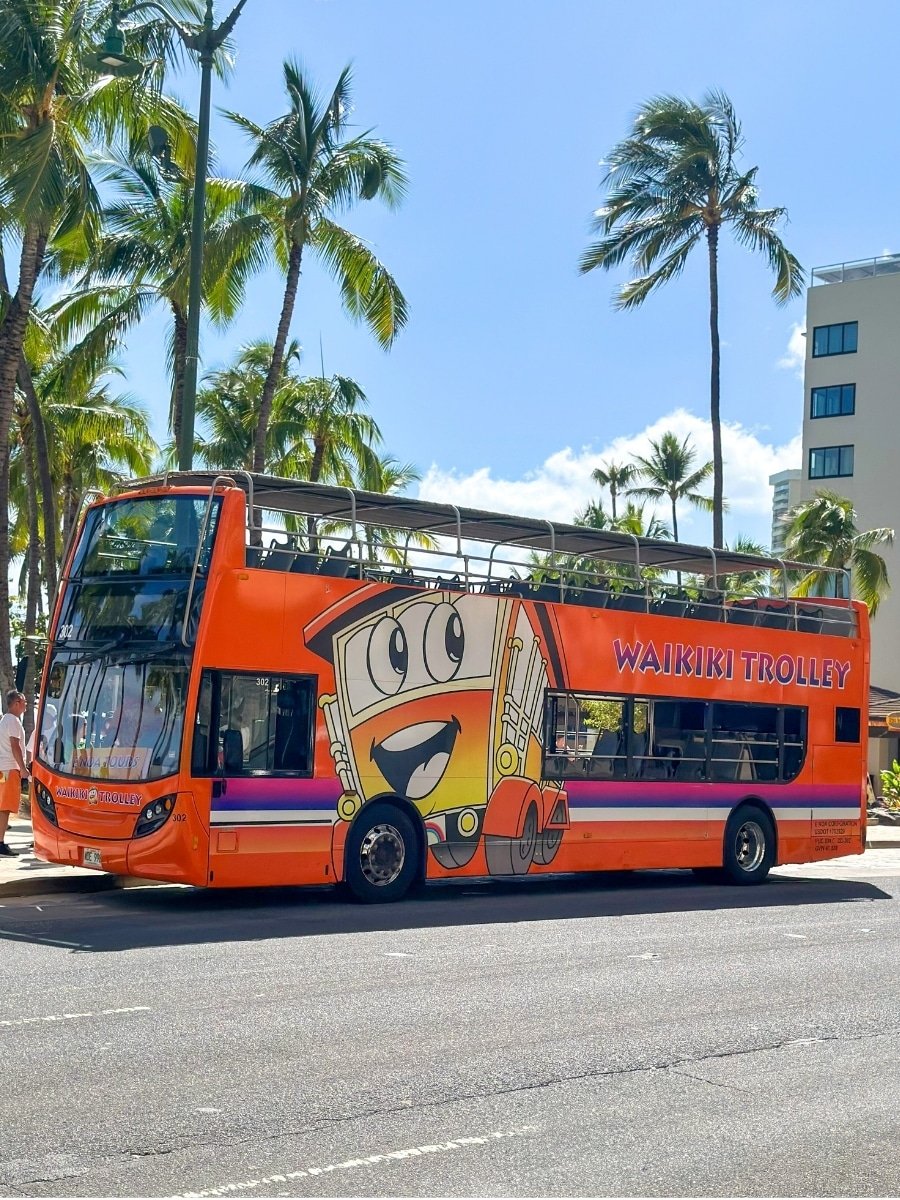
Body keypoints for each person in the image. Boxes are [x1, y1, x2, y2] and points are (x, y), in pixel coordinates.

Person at [0, 690, 29, 857]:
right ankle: (0, 843)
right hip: (10, 768)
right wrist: (23, 768)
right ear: (17, 702)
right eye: (24, 702)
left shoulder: (5, 720)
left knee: (2, 806)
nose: (26, 705)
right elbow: (15, 745)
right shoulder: (13, 721)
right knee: (5, 807)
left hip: (4, 768)